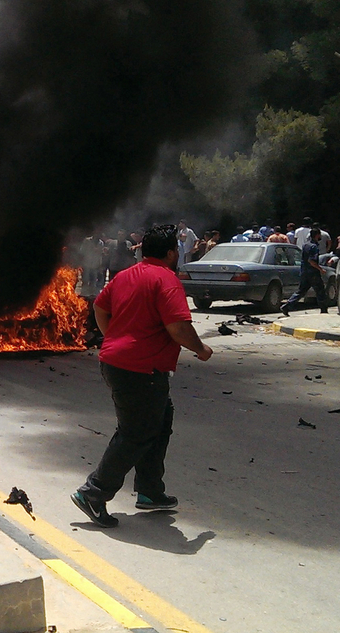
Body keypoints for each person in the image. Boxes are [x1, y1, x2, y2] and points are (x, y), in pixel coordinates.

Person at [70, 225, 212, 527]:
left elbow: (99, 306)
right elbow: (178, 327)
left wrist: (113, 338)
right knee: (135, 433)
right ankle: (93, 493)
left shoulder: (125, 275)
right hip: (140, 369)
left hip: (120, 363)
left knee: (160, 421)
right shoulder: (167, 280)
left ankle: (150, 491)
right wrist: (200, 349)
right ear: (172, 252)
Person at [281, 228, 329, 316]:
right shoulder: (313, 247)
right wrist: (320, 269)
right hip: (313, 273)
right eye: (319, 235)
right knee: (320, 291)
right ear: (317, 235)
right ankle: (324, 311)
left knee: (301, 291)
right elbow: (311, 261)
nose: (320, 236)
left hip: (304, 272)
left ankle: (287, 306)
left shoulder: (305, 245)